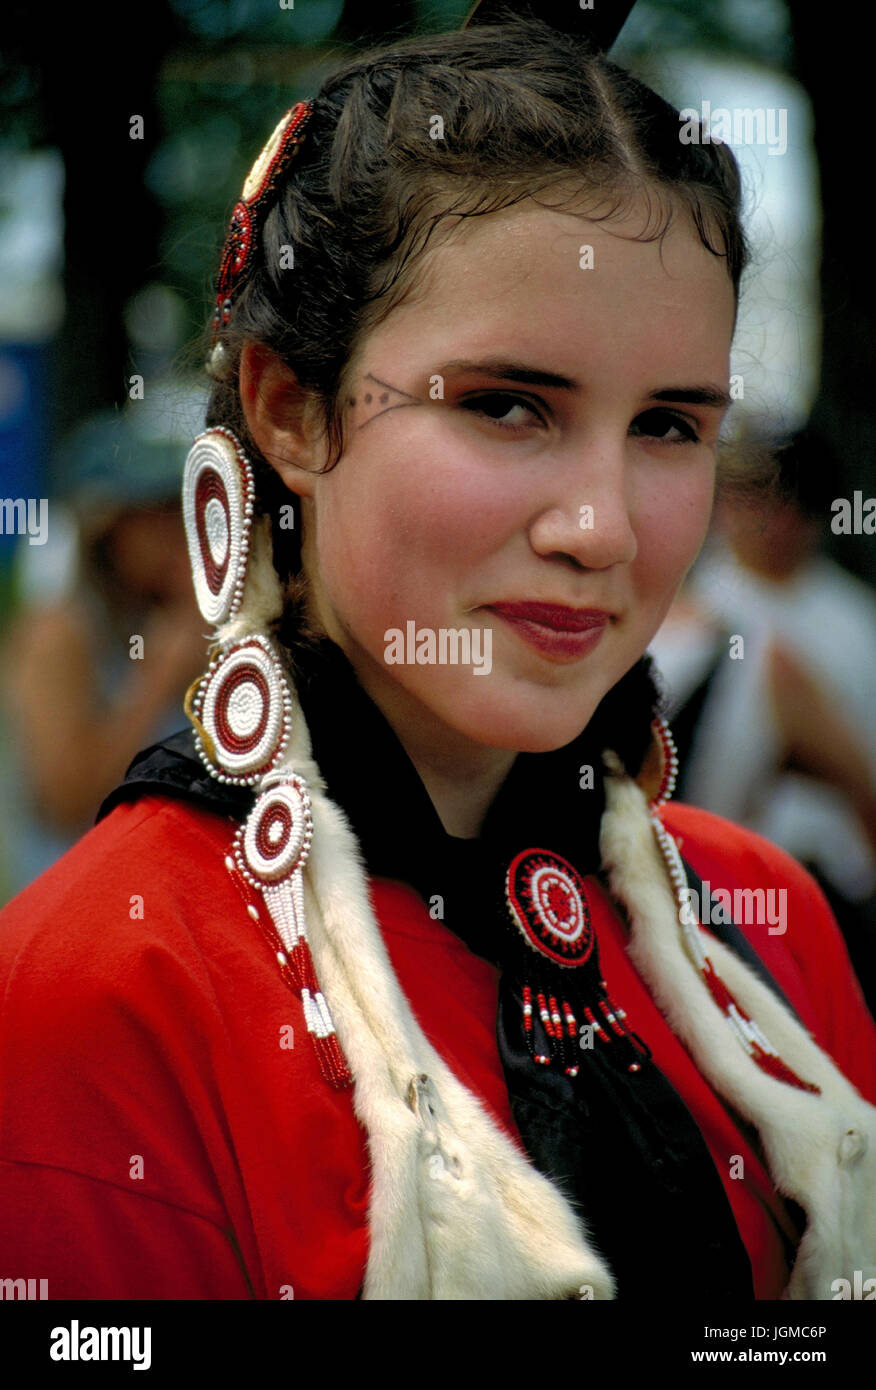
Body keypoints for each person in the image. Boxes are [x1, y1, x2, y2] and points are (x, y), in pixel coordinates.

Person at [0, 13, 874, 1303]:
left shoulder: (767, 929)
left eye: (672, 425)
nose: (604, 528)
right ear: (290, 407)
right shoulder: (96, 989)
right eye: (507, 405)